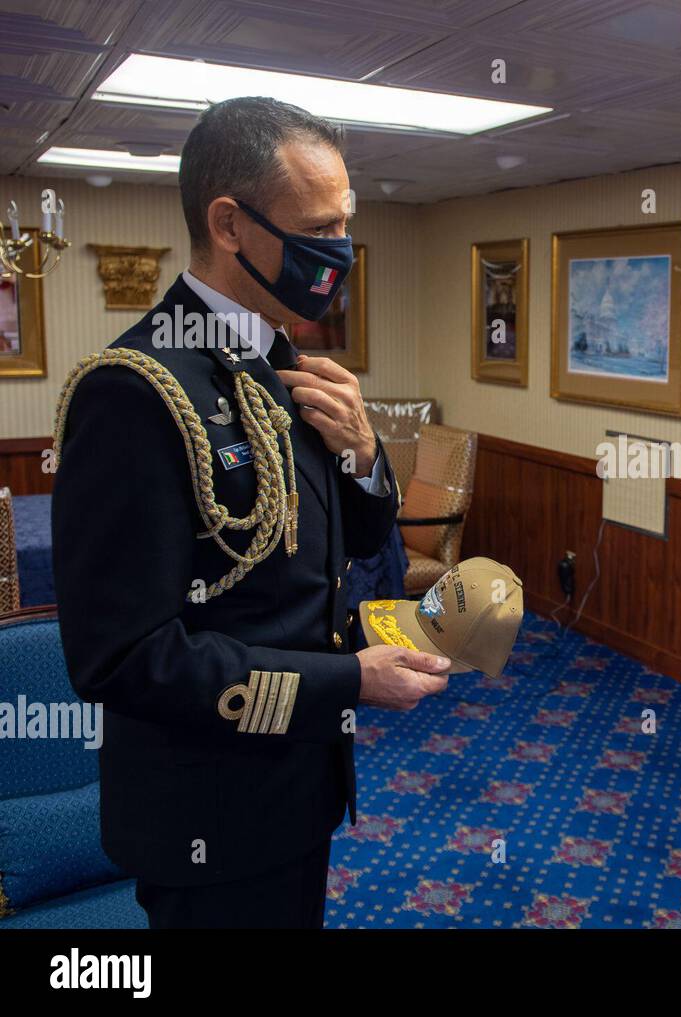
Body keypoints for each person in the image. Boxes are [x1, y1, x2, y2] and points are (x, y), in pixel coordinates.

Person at [52, 96, 451, 929]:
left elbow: (345, 546)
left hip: (301, 781)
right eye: (320, 225)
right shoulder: (135, 390)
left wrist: (367, 459)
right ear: (229, 224)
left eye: (346, 223)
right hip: (208, 809)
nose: (339, 250)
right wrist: (348, 680)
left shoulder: (284, 358)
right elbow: (123, 658)